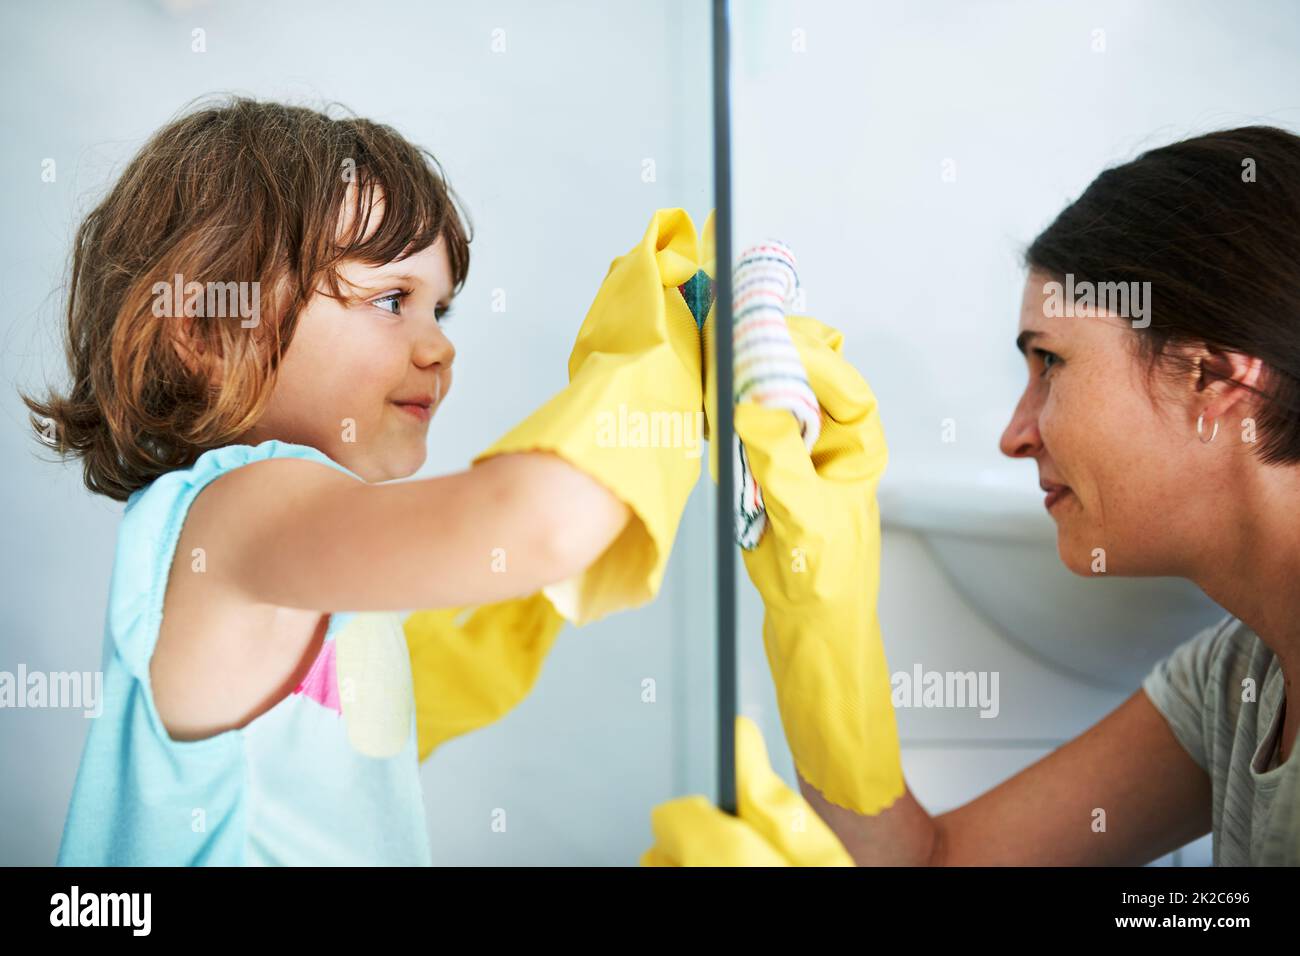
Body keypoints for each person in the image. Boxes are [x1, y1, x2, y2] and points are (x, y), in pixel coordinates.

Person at [27, 95, 708, 865]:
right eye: (391, 300)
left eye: (441, 311)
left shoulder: (266, 542)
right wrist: (672, 352)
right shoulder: (247, 505)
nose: (438, 347)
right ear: (208, 331)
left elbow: (373, 709)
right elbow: (539, 525)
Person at [646, 125, 1300, 867]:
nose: (1015, 436)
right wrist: (819, 607)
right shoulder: (1236, 680)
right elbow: (935, 863)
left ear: (1212, 380)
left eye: (1050, 362)